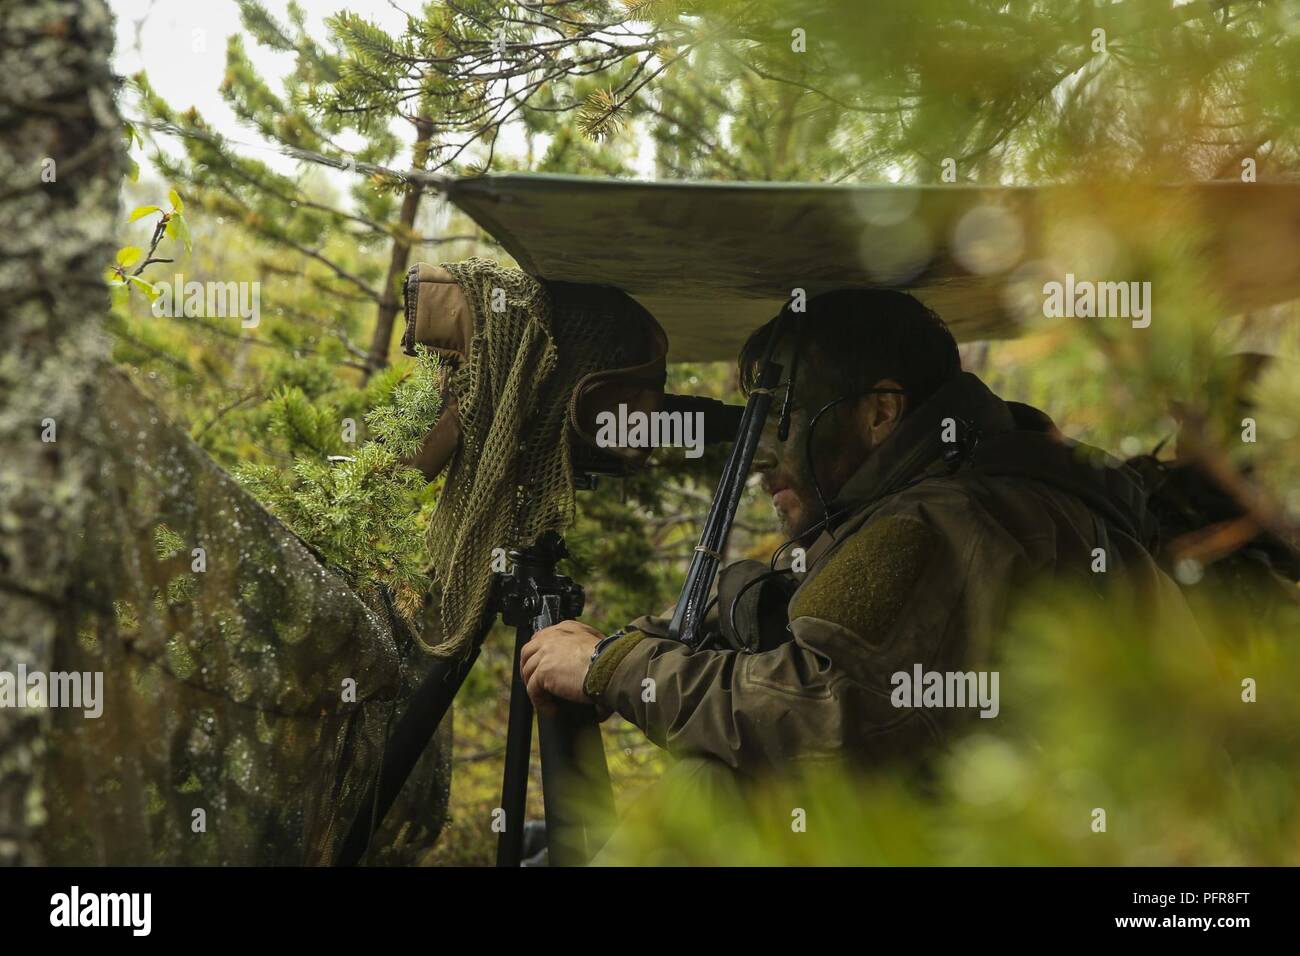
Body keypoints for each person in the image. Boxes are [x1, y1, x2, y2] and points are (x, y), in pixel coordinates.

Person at [520, 288, 1192, 778]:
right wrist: (649, 640)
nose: (763, 456)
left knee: (728, 784)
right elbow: (805, 617)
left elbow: (820, 713)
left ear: (879, 413)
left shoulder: (947, 519)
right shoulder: (978, 491)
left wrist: (616, 669)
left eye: (784, 417)